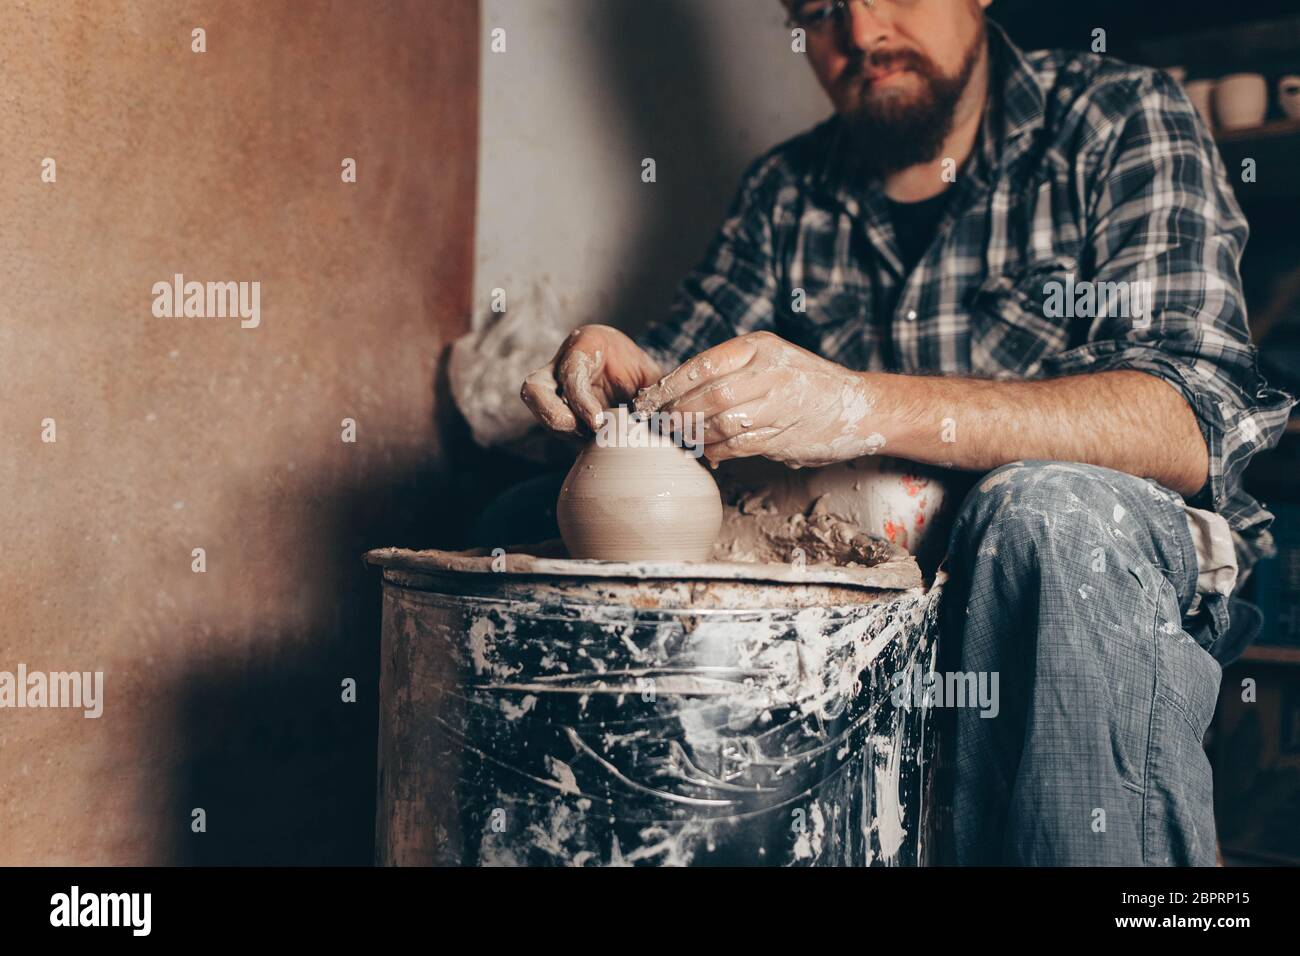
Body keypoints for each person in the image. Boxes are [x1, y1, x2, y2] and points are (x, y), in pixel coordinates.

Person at [519, 0, 1295, 864]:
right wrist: (631, 386)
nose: (860, 28)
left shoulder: (1117, 118)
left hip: (1086, 565)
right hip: (867, 590)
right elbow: (684, 395)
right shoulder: (786, 192)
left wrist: (857, 404)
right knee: (516, 515)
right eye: (820, 9)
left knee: (1043, 512)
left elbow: (1188, 419)